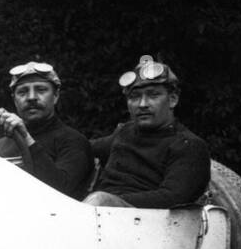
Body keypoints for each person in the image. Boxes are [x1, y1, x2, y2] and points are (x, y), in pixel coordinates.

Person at [85, 55, 210, 209]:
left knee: (98, 200)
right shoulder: (124, 133)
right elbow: (83, 148)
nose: (142, 104)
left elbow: (175, 197)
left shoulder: (188, 145)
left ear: (173, 99)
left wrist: (109, 202)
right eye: (134, 97)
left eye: (153, 95)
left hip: (151, 225)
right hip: (99, 216)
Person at [0, 61, 92, 200]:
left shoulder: (73, 141)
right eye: (23, 92)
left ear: (56, 96)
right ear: (14, 100)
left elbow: (62, 191)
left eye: (41, 90)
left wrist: (26, 138)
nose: (31, 97)